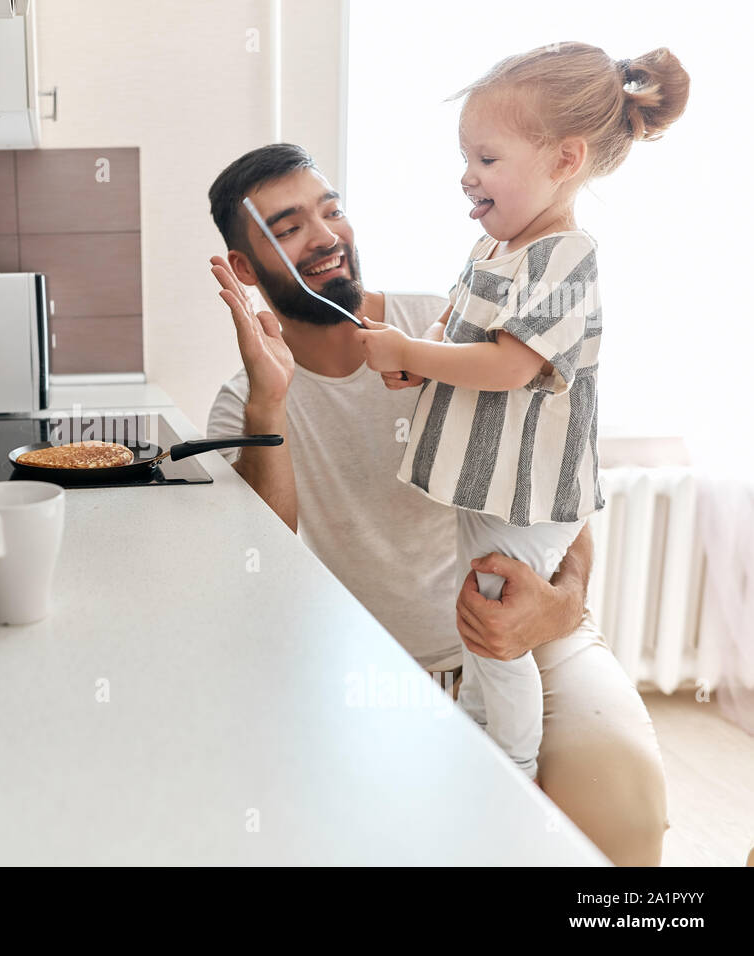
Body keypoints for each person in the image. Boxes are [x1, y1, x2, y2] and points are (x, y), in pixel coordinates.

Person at [205, 142, 668, 863]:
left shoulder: (449, 330)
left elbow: (556, 477)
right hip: (376, 673)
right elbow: (260, 557)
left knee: (620, 790)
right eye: (289, 226)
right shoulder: (248, 402)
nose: (327, 236)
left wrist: (563, 603)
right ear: (243, 269)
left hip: (526, 639)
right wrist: (271, 402)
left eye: (332, 211)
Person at [349, 43, 690, 780]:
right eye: (466, 157)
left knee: (493, 628)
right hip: (492, 485)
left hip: (529, 494)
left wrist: (416, 349)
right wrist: (416, 357)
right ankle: (477, 743)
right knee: (479, 624)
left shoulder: (566, 257)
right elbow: (456, 327)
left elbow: (511, 363)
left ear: (565, 161)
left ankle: (510, 769)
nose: (467, 175)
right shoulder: (493, 247)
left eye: (487, 158)